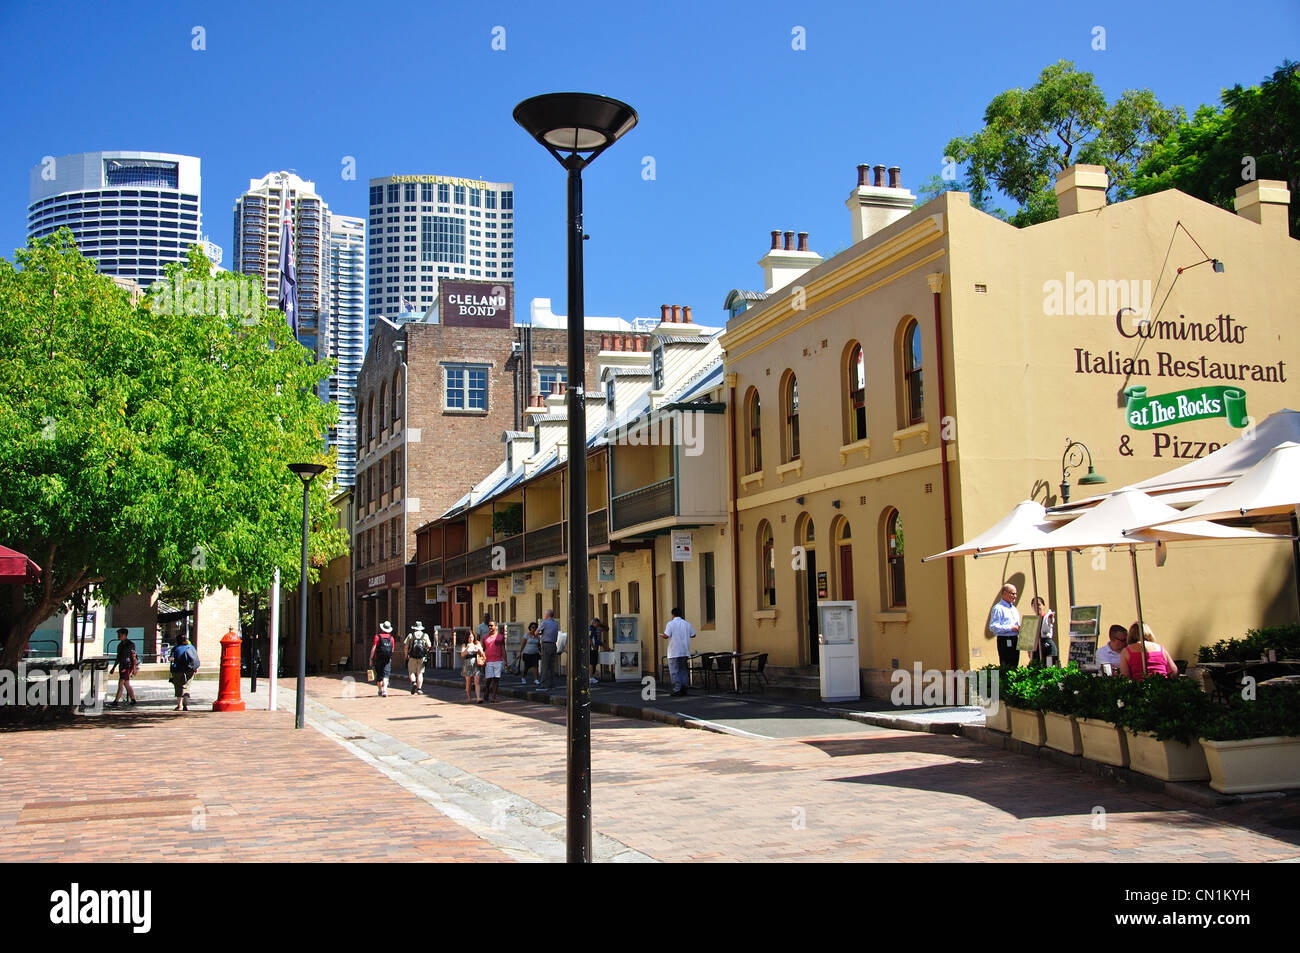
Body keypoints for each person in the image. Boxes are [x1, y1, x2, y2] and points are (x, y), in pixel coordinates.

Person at [661, 607, 696, 697]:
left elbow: (666, 635)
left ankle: (677, 689)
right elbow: (693, 634)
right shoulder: (687, 624)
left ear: (672, 615)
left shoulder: (670, 624)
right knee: (683, 670)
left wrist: (662, 635)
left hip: (673, 652)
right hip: (684, 651)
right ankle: (684, 688)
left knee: (674, 671)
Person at [987, 584, 1021, 669]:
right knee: (1007, 666)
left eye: (1016, 594)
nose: (1015, 596)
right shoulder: (998, 608)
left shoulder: (1014, 609)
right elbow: (993, 627)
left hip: (1015, 639)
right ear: (1005, 593)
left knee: (1015, 665)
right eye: (1013, 594)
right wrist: (1011, 628)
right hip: (1005, 640)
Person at [166, 632, 200, 712]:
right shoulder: (191, 647)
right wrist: (195, 668)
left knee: (178, 687)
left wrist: (170, 659)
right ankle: (186, 700)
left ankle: (179, 705)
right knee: (187, 686)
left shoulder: (175, 648)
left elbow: (171, 658)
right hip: (190, 669)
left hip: (177, 670)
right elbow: (195, 658)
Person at [108, 628, 138, 707]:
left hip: (128, 666)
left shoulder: (130, 644)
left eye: (120, 635)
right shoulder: (120, 645)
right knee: (126, 684)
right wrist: (113, 667)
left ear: (124, 635)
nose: (118, 636)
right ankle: (133, 699)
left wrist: (134, 668)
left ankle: (116, 701)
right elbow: (118, 657)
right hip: (122, 665)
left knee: (121, 683)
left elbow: (133, 656)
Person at [369, 620, 396, 697]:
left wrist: (371, 658)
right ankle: (385, 690)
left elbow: (374, 647)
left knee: (379, 675)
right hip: (387, 659)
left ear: (382, 628)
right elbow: (392, 650)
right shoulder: (391, 638)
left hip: (378, 658)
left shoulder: (377, 637)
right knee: (386, 674)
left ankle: (380, 690)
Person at [1029, 597, 1058, 667]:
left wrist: (1051, 618)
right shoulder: (1032, 621)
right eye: (1034, 605)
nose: (1037, 607)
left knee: (1049, 667)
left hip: (1047, 646)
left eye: (1039, 604)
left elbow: (1050, 621)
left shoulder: (1047, 617)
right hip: (1036, 647)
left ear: (1043, 606)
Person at [404, 621, 430, 694]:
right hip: (422, 657)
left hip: (412, 656)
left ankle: (413, 682)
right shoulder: (425, 635)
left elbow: (406, 646)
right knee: (420, 673)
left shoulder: (410, 635)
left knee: (411, 672)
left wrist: (406, 655)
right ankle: (419, 689)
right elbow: (429, 645)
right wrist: (425, 650)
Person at [482, 621, 505, 702]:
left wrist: (505, 661)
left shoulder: (500, 637)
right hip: (488, 660)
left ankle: (494, 696)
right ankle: (487, 690)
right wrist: (482, 659)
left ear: (495, 626)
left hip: (498, 660)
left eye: (491, 626)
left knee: (496, 678)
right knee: (488, 679)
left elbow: (503, 649)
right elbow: (482, 649)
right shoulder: (485, 637)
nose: (490, 627)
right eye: (489, 626)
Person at [538, 608, 560, 690]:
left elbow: (537, 632)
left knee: (545, 665)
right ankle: (551, 683)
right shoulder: (555, 623)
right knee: (551, 665)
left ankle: (543, 684)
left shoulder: (545, 622)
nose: (544, 615)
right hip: (553, 644)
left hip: (546, 644)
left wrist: (541, 633)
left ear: (547, 615)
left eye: (544, 614)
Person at [461, 629, 485, 702]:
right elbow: (462, 654)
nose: (471, 638)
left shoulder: (477, 643)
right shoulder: (464, 644)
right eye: (469, 637)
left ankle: (478, 697)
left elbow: (482, 653)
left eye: (471, 637)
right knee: (468, 682)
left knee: (477, 681)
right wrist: (467, 648)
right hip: (467, 664)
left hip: (476, 664)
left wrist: (479, 650)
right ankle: (469, 697)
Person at [588, 617, 608, 685]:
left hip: (595, 648)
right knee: (591, 663)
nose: (598, 625)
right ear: (594, 623)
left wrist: (602, 645)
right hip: (592, 649)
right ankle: (590, 678)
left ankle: (591, 677)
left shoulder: (594, 629)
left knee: (594, 663)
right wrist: (593, 646)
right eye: (597, 624)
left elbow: (597, 640)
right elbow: (589, 638)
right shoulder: (591, 629)